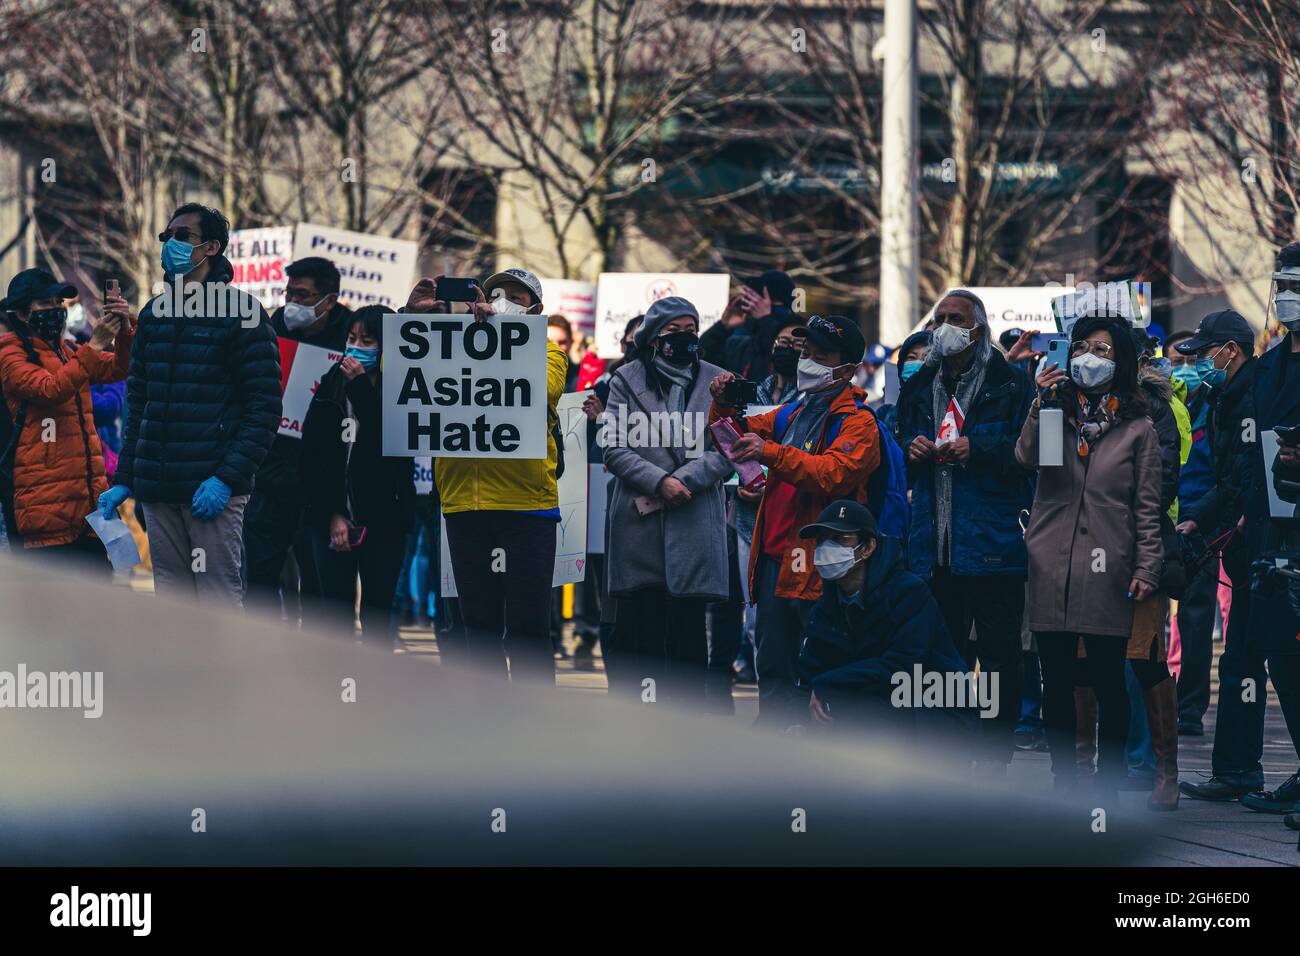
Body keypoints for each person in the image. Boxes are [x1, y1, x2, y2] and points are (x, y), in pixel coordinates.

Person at [98, 203, 281, 607]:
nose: (170, 245)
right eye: (167, 237)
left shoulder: (244, 314)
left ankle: (224, 674)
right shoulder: (154, 314)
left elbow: (264, 409)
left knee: (218, 605)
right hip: (159, 490)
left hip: (211, 489)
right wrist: (126, 476)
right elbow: (139, 404)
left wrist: (227, 479)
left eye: (183, 236)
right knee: (174, 610)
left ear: (212, 247)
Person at [709, 313, 881, 730]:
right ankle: (774, 754)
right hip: (773, 556)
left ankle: (820, 761)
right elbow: (732, 431)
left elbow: (833, 473)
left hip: (823, 564)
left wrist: (769, 454)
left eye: (821, 355)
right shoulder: (790, 412)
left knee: (819, 669)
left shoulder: (859, 422)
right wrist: (724, 401)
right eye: (807, 352)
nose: (808, 361)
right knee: (771, 665)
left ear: (847, 368)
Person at [1016, 314, 1164, 795]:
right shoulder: (1055, 410)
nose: (1090, 358)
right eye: (1082, 347)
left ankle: (1112, 777)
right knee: (1056, 681)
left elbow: (1147, 505)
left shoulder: (1138, 427)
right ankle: (1065, 781)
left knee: (1107, 679)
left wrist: (1147, 566)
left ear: (1120, 361)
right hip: (1051, 562)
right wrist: (1041, 401)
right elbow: (1028, 457)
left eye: (1103, 351)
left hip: (1108, 565)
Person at [405, 267, 567, 684]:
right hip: (464, 504)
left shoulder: (550, 353)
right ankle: (488, 720)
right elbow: (400, 379)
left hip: (527, 505)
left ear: (537, 311)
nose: (506, 302)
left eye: (518, 297)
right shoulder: (446, 343)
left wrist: (495, 338)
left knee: (529, 628)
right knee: (477, 628)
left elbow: (540, 390)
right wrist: (413, 318)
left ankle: (538, 721)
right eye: (497, 295)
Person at [895, 290, 1033, 770]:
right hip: (933, 546)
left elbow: (1029, 453)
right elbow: (897, 446)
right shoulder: (919, 384)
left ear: (978, 328)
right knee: (940, 655)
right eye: (939, 319)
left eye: (956, 319)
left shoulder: (1011, 383)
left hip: (992, 544)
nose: (945, 327)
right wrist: (909, 450)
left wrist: (980, 446)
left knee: (998, 658)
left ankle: (995, 757)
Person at [600, 296, 733, 707]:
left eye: (691, 329)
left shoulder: (720, 380)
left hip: (693, 520)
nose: (684, 338)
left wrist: (683, 480)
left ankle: (689, 729)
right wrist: (659, 482)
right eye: (674, 331)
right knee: (645, 633)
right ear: (653, 338)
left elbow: (730, 447)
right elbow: (614, 448)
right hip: (639, 527)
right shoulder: (624, 380)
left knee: (690, 637)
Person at [1170, 311, 1265, 802]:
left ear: (1231, 349)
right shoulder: (1225, 396)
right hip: (1242, 547)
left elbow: (1253, 474)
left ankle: (1238, 770)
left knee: (1266, 664)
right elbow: (1230, 483)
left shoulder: (1254, 393)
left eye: (1207, 351)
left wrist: (1249, 515)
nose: (1201, 361)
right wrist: (1200, 520)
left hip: (1264, 550)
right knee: (1241, 664)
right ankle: (1235, 770)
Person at [798, 499, 973, 740]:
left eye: (840, 539)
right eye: (822, 540)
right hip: (879, 707)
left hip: (935, 712)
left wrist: (827, 684)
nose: (827, 548)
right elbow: (809, 671)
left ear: (868, 547)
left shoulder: (909, 592)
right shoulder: (825, 607)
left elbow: (901, 668)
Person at [243, 256, 354, 621]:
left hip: (318, 494)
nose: (293, 302)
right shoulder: (271, 330)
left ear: (330, 301)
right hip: (269, 484)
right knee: (258, 589)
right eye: (289, 293)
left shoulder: (351, 339)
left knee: (323, 598)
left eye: (304, 296)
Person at [0, 268, 132, 570]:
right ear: (21, 314)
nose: (57, 310)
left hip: (89, 509)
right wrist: (95, 345)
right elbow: (50, 389)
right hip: (46, 509)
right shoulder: (10, 353)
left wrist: (124, 331)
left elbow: (119, 369)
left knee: (99, 601)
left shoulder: (68, 350)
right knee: (56, 608)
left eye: (59, 302)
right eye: (46, 304)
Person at [1232, 242, 1300, 820]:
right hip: (1273, 533)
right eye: (1285, 283)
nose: (1290, 294)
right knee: (1280, 656)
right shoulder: (1269, 365)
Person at [299, 306, 414, 644]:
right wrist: (332, 513)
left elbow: (389, 444)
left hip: (384, 522)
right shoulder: (330, 385)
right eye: (351, 338)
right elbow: (312, 458)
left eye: (367, 340)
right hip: (331, 521)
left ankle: (375, 689)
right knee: (334, 617)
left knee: (378, 617)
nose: (357, 346)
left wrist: (362, 388)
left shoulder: (402, 388)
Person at [699, 270, 797, 379]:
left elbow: (775, 352)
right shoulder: (739, 345)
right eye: (755, 301)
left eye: (770, 302)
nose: (757, 306)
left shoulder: (798, 343)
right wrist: (722, 327)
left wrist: (765, 319)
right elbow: (702, 360)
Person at [872, 329, 930, 435]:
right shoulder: (885, 415)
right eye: (912, 357)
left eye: (926, 358)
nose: (918, 363)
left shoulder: (943, 411)